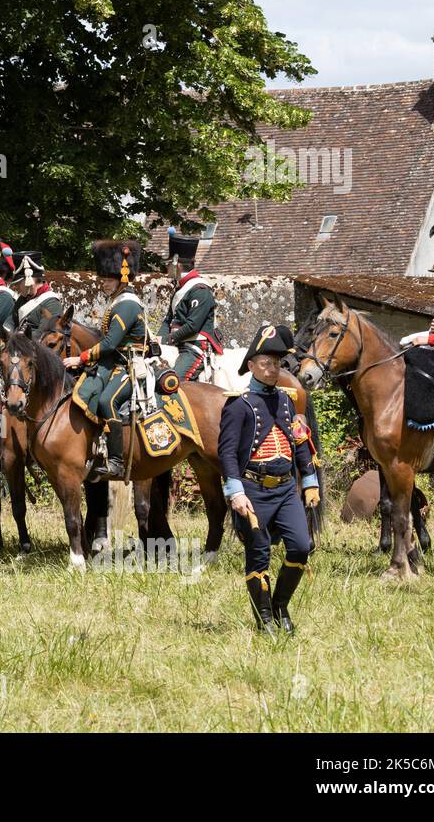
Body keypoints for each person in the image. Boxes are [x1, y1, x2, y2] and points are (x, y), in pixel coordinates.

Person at [218, 324, 319, 634]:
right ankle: (264, 620)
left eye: (276, 363)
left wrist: (310, 480)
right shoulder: (239, 405)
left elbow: (299, 441)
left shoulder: (287, 401)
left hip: (286, 488)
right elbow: (227, 454)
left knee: (302, 546)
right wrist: (235, 492)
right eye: (265, 363)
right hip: (252, 490)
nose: (272, 369)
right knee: (258, 554)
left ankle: (280, 605)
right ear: (251, 366)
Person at [65, 240, 148, 478]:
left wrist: (80, 358)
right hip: (114, 363)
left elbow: (111, 343)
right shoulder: (116, 302)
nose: (104, 283)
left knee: (106, 401)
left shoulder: (128, 304)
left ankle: (116, 461)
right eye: (104, 279)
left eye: (108, 279)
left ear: (121, 278)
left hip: (128, 365)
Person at [159, 227, 221, 382]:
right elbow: (169, 319)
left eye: (168, 264)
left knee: (171, 383)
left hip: (194, 347)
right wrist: (158, 340)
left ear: (176, 264)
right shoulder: (181, 288)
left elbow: (193, 326)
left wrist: (167, 340)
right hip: (178, 344)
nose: (166, 268)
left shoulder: (200, 290)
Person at [10, 250, 64, 337]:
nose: (16, 287)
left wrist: (17, 339)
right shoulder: (23, 299)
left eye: (19, 283)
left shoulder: (51, 302)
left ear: (29, 280)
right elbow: (10, 322)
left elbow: (44, 335)